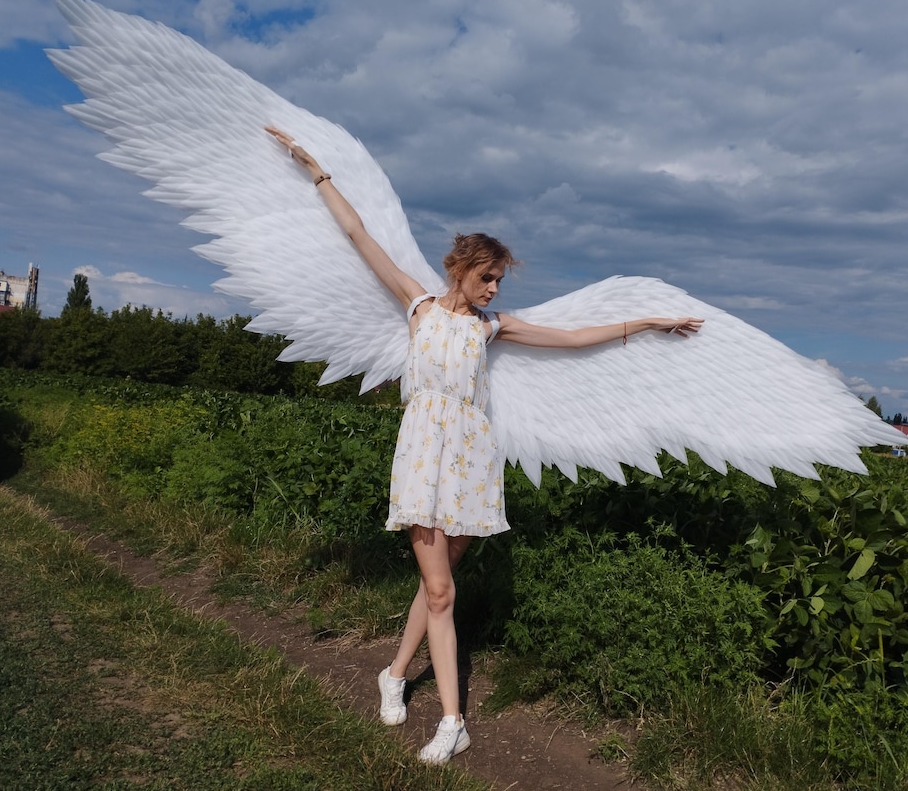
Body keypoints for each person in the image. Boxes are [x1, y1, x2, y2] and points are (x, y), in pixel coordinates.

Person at [266, 126, 703, 764]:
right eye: (488, 277)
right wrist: (318, 172)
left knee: (437, 584)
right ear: (461, 269)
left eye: (499, 280)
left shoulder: (496, 328)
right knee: (440, 590)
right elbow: (361, 236)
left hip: (472, 455)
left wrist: (651, 322)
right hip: (421, 450)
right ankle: (452, 720)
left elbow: (578, 338)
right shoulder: (419, 308)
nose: (495, 289)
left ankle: (393, 674)